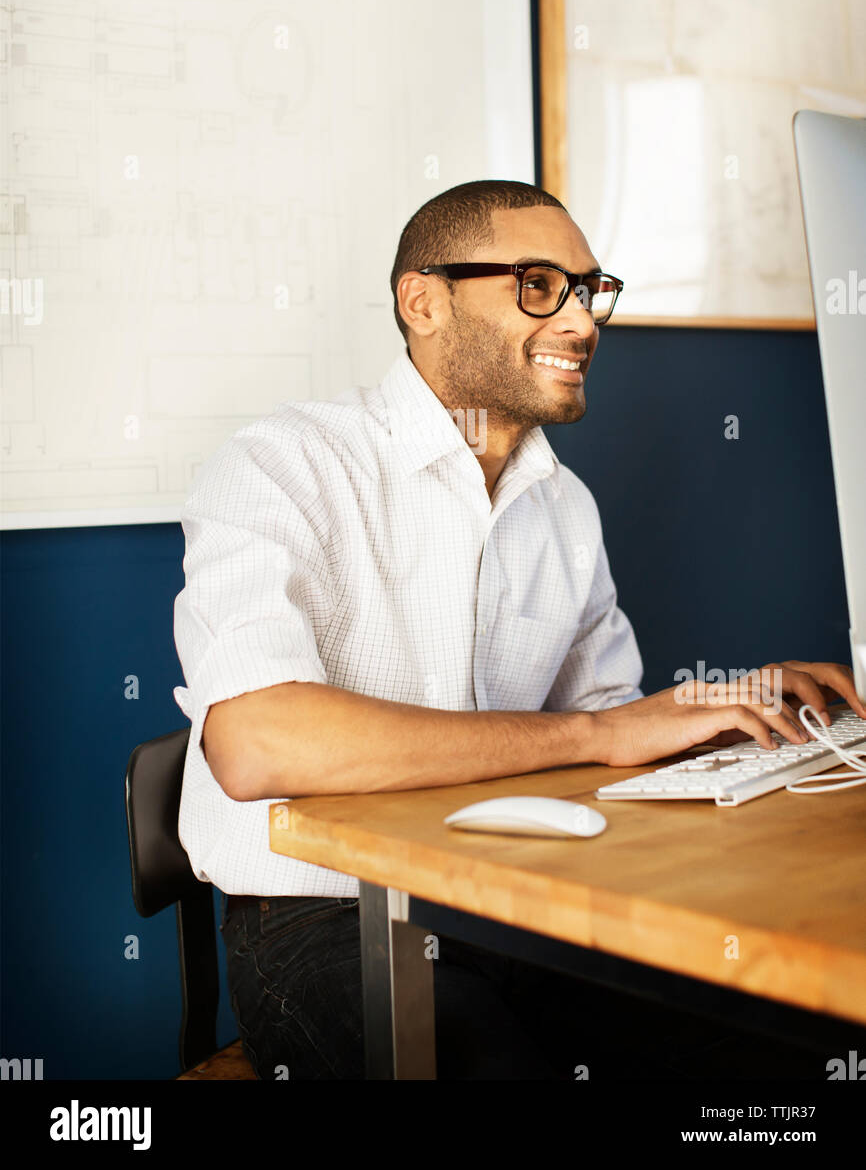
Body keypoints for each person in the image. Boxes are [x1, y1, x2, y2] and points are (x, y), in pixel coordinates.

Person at [172, 180, 864, 1080]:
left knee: (786, 1049)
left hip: (518, 899)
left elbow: (612, 736)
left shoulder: (564, 504)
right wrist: (596, 733)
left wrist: (723, 715)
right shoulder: (280, 463)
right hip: (325, 917)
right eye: (539, 285)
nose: (582, 322)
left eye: (589, 289)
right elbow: (256, 743)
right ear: (423, 301)